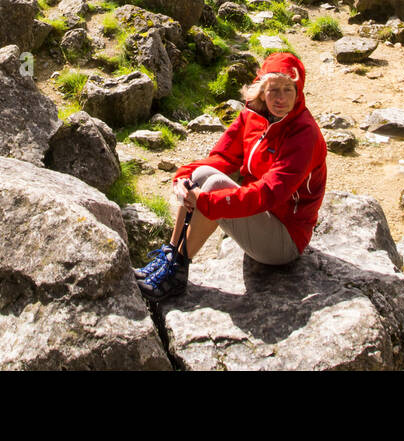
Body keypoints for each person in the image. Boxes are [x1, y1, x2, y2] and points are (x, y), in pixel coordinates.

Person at [136, 52, 328, 300]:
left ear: (298, 91)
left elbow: (271, 192)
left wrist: (207, 203)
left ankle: (177, 273)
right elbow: (222, 158)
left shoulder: (304, 134)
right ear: (261, 91)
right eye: (273, 90)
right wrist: (183, 177)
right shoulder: (252, 115)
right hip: (261, 217)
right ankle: (171, 255)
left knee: (214, 186)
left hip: (285, 239)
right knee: (200, 174)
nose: (281, 98)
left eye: (288, 90)